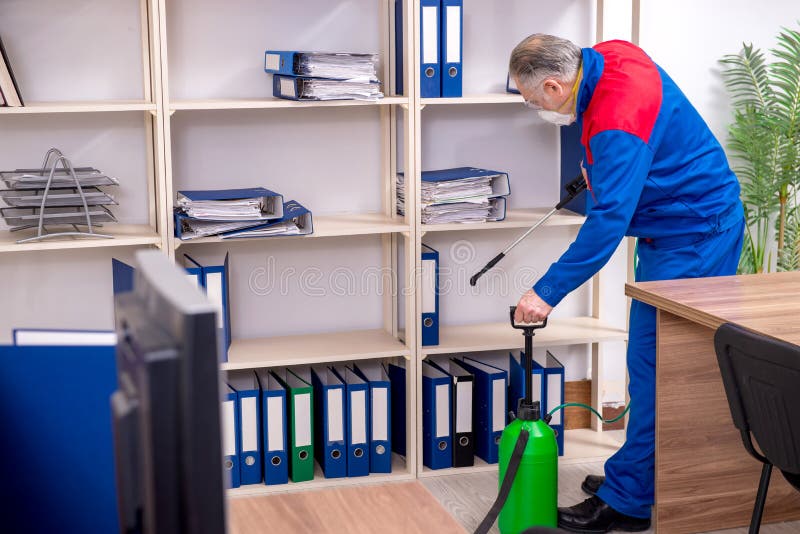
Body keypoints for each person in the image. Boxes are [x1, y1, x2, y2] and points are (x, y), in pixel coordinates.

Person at [509, 35, 744, 533]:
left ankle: (629, 504)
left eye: (533, 101)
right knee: (650, 362)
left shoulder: (617, 123)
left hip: (696, 235)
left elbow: (606, 225)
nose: (535, 109)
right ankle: (639, 474)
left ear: (554, 85)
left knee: (656, 366)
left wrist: (543, 294)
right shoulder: (608, 56)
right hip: (672, 226)